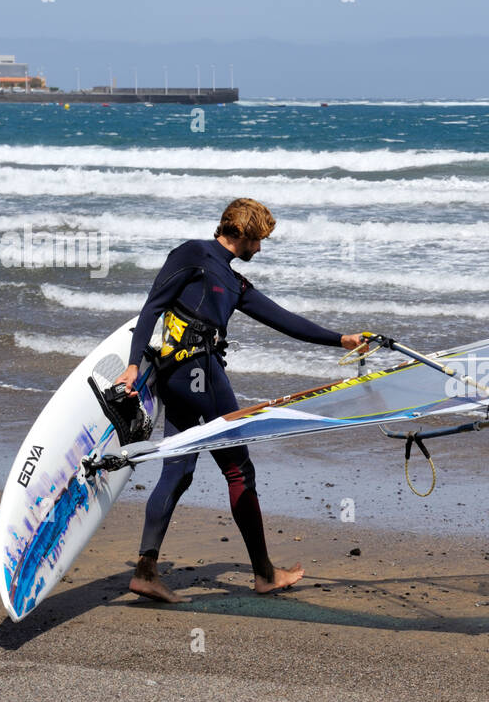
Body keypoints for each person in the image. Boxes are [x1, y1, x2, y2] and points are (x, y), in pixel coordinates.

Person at [114, 199, 365, 603]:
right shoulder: (193, 253)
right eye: (260, 240)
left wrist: (341, 339)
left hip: (176, 378)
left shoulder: (233, 282)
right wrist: (129, 366)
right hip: (200, 372)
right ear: (244, 233)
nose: (260, 249)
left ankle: (146, 572)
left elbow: (285, 320)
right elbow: (152, 308)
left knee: (177, 470)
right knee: (238, 471)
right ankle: (264, 575)